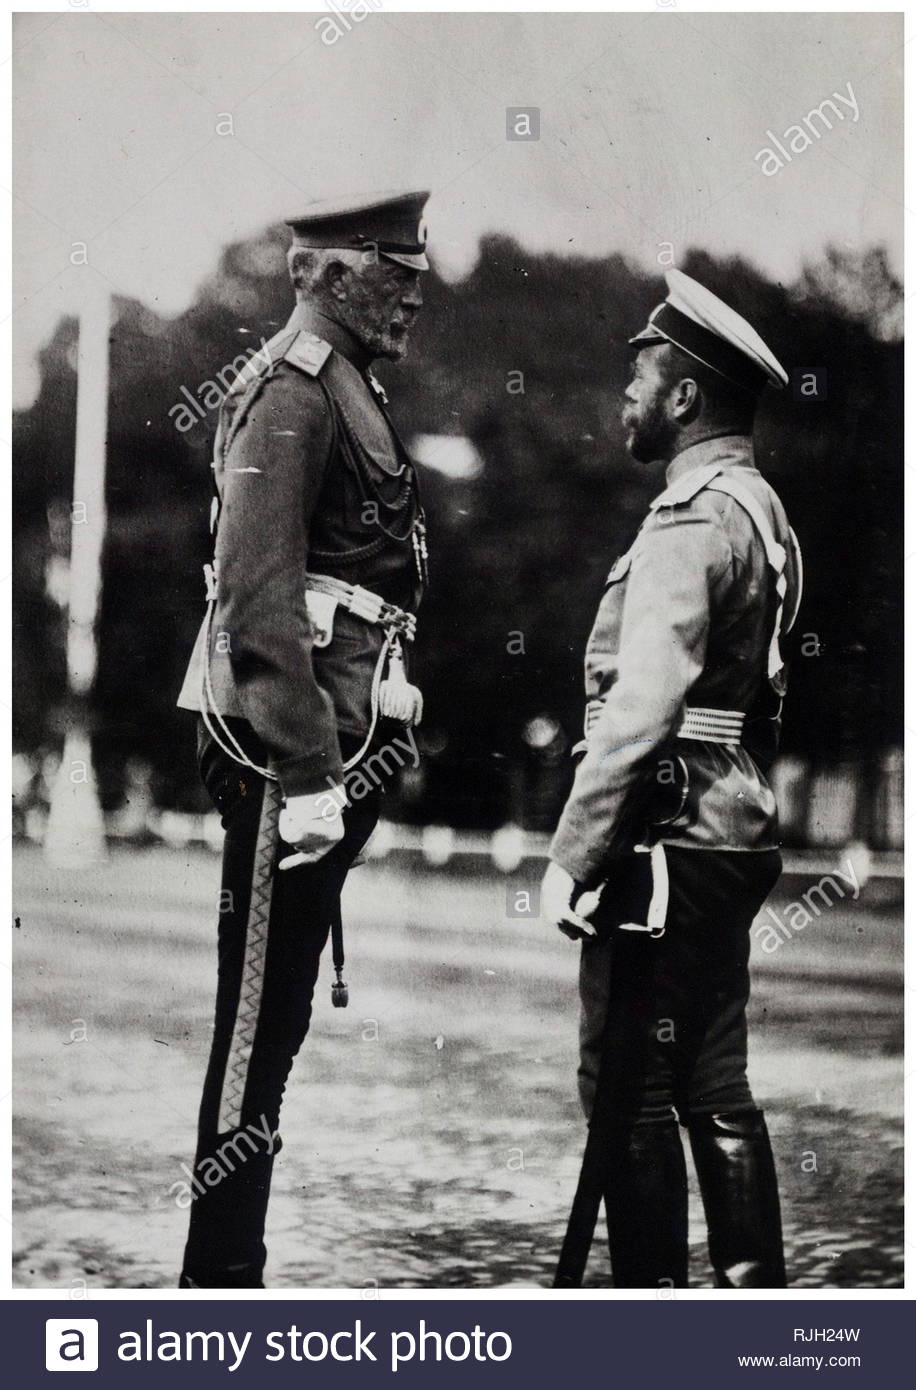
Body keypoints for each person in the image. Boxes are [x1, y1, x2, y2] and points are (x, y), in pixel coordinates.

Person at [175, 190, 431, 1288]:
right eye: (394, 272)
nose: (415, 293)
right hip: (291, 754)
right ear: (324, 273)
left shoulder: (347, 388)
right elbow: (256, 593)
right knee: (252, 1034)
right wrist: (311, 769)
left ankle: (232, 1271)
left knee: (272, 1031)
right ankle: (217, 1289)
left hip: (330, 742)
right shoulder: (293, 391)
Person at [543, 269, 802, 1289]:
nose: (626, 399)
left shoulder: (688, 517)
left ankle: (651, 1320)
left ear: (685, 394)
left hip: (662, 835)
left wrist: (573, 853)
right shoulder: (763, 510)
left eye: (641, 380)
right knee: (714, 1079)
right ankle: (752, 1311)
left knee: (629, 1089)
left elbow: (643, 705)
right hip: (729, 828)